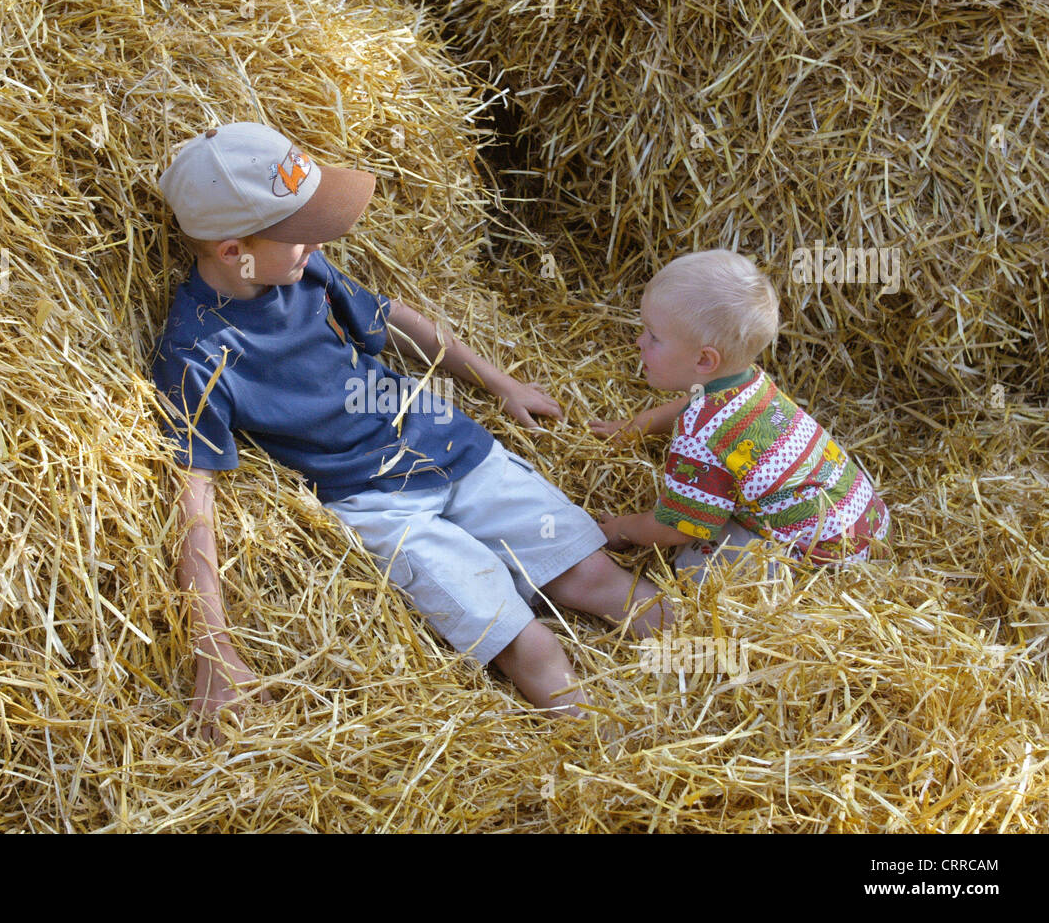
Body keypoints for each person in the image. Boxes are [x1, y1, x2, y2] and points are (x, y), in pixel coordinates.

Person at [151, 122, 673, 739]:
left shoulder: (304, 271)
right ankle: (618, 758)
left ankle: (724, 673)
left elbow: (394, 320)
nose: (317, 244)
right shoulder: (198, 354)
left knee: (595, 579)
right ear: (234, 249)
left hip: (448, 446)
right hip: (380, 504)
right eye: (299, 234)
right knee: (525, 643)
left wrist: (500, 384)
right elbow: (195, 493)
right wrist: (211, 644)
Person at [590, 250, 889, 582]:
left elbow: (676, 527)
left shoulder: (702, 436)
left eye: (653, 336)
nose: (638, 341)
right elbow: (691, 402)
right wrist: (635, 428)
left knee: (694, 563)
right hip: (869, 522)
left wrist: (620, 529)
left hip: (826, 568)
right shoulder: (749, 383)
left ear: (704, 361)